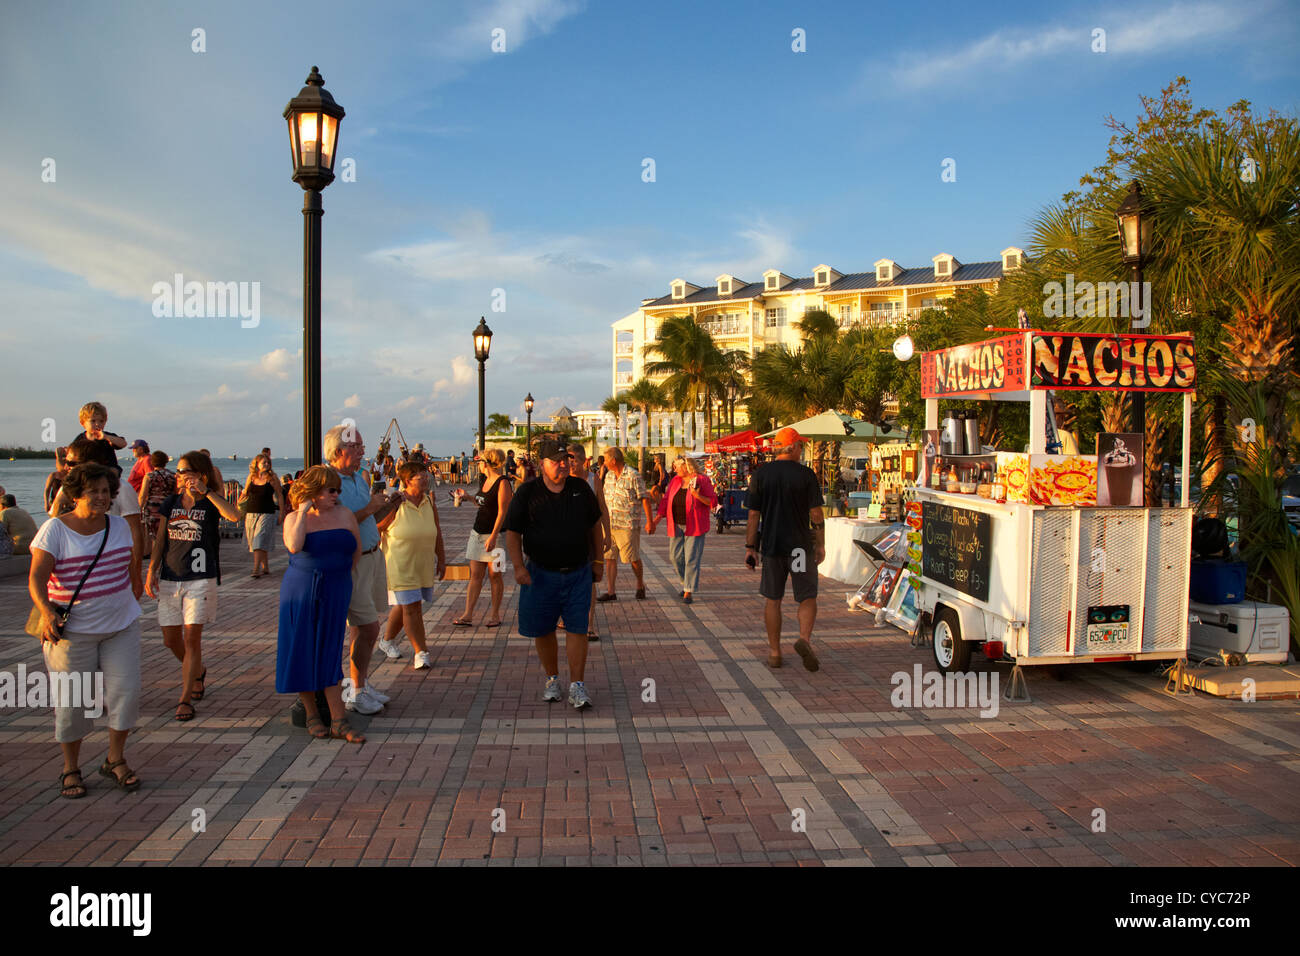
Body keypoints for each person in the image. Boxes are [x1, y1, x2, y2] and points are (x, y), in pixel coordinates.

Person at [29, 463, 144, 796]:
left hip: (120, 626)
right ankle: (71, 767)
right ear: (76, 494)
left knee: (126, 694)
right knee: (73, 702)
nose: (101, 497)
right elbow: (36, 579)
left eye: (106, 491)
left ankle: (115, 759)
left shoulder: (120, 527)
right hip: (71, 632)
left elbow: (131, 562)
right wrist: (46, 612)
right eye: (93, 491)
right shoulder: (55, 530)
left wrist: (134, 585)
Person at [503, 440, 603, 709]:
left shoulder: (581, 489)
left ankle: (577, 686)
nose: (563, 464)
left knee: (578, 628)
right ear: (542, 464)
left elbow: (595, 525)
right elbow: (512, 532)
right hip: (540, 574)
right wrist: (518, 567)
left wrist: (598, 560)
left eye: (566, 459)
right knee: (543, 629)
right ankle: (552, 679)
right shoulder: (527, 493)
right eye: (557, 460)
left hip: (578, 573)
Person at [145, 450, 240, 721]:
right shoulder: (172, 502)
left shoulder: (210, 501)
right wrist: (152, 569)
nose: (180, 475)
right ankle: (197, 670)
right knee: (170, 639)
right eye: (179, 471)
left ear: (200, 474)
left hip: (201, 578)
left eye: (185, 471)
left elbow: (234, 516)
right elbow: (161, 538)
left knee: (191, 638)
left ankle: (185, 698)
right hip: (171, 577)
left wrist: (207, 491)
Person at [276, 465, 364, 743]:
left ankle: (338, 719)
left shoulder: (345, 514)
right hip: (301, 589)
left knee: (329, 649)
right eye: (330, 490)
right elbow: (293, 545)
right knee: (302, 647)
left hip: (336, 587)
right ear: (313, 491)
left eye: (337, 489)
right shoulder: (294, 517)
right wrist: (303, 511)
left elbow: (356, 550)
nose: (336, 495)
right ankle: (314, 714)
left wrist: (340, 577)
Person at [326, 425, 402, 717]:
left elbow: (370, 518)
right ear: (338, 452)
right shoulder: (331, 483)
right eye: (356, 446)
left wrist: (392, 503)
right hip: (352, 562)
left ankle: (360, 683)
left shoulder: (358, 478)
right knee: (368, 627)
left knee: (364, 626)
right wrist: (371, 507)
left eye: (361, 446)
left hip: (373, 555)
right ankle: (354, 692)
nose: (362, 451)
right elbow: (336, 520)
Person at [744, 427, 824, 671]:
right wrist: (820, 543)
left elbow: (754, 514)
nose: (802, 450)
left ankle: (775, 652)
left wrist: (750, 547)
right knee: (807, 595)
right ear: (794, 447)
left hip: (772, 546)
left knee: (773, 599)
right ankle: (804, 639)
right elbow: (816, 513)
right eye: (801, 445)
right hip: (799, 547)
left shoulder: (762, 474)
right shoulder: (806, 475)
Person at [376, 459, 446, 670]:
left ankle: (386, 640)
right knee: (412, 608)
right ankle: (421, 651)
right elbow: (377, 527)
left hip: (422, 563)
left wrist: (441, 559)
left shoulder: (428, 501)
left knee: (406, 604)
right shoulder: (396, 502)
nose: (426, 479)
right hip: (399, 564)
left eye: (426, 475)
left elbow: (437, 531)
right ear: (407, 481)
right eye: (420, 476)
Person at [454, 448, 512, 628]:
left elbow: (503, 511)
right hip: (477, 533)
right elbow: (483, 503)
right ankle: (468, 614)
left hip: (497, 537)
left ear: (486, 463)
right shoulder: (485, 480)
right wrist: (468, 497)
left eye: (479, 462)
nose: (478, 465)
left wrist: (494, 536)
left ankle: (495, 614)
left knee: (496, 576)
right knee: (476, 576)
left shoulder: (503, 483)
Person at [650, 455, 717, 604]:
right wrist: (655, 520)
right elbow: (666, 501)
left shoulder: (701, 480)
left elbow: (713, 501)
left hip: (695, 525)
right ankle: (685, 582)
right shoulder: (675, 481)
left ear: (686, 466)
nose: (674, 469)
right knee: (675, 557)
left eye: (677, 466)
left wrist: (697, 495)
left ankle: (689, 590)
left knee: (691, 558)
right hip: (676, 524)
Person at [597, 447, 654, 602]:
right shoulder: (608, 476)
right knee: (609, 557)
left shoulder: (633, 475)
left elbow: (644, 498)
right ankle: (611, 591)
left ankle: (640, 584)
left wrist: (650, 522)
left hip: (628, 524)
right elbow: (603, 499)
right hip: (610, 524)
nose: (605, 463)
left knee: (632, 558)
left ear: (613, 460)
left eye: (606, 460)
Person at [565, 443, 607, 640]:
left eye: (573, 458)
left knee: (589, 582)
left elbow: (602, 508)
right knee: (564, 580)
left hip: (589, 538)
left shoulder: (593, 479)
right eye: (567, 457)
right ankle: (565, 617)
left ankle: (589, 624)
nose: (569, 462)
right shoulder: (561, 480)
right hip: (565, 538)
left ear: (583, 460)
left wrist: (607, 533)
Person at [240, 454, 284, 578]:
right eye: (263, 462)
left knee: (259, 539)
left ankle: (255, 569)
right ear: (257, 464)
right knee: (256, 540)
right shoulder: (251, 477)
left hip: (267, 512)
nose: (266, 464)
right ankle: (265, 567)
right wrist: (239, 502)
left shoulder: (272, 478)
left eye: (267, 462)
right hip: (251, 512)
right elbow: (246, 492)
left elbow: (280, 495)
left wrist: (281, 512)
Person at [138, 451, 174, 560]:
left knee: (154, 538)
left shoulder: (149, 476)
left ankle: (155, 561)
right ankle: (166, 559)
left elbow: (143, 496)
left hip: (152, 510)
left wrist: (138, 509)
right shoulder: (173, 476)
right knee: (166, 535)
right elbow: (176, 493)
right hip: (168, 508)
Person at [73, 402, 126, 476]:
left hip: (107, 468)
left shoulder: (107, 436)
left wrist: (107, 437)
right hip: (87, 470)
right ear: (83, 423)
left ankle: (110, 485)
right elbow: (72, 452)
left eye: (101, 421)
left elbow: (123, 443)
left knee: (114, 470)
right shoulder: (80, 439)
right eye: (93, 421)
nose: (97, 424)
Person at [44, 447, 70, 513]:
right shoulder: (54, 475)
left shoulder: (70, 476)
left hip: (67, 502)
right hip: (54, 501)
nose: (67, 467)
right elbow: (47, 490)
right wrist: (46, 503)